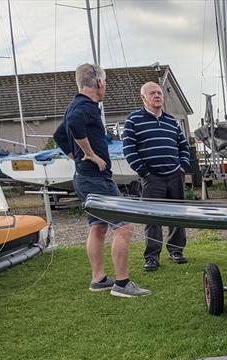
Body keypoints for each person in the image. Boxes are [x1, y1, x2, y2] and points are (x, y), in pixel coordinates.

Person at [53, 64, 150, 298]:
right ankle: (122, 284)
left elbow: (59, 135)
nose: (105, 86)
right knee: (124, 227)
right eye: (105, 82)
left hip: (84, 178)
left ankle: (98, 279)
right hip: (96, 178)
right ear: (98, 83)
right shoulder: (85, 106)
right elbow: (74, 124)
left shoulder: (75, 104)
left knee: (98, 226)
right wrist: (90, 154)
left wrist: (74, 155)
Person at [123, 81, 191, 271]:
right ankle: (152, 256)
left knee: (177, 216)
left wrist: (183, 166)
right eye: (152, 93)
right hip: (152, 178)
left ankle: (176, 250)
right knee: (152, 218)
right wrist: (144, 171)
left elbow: (183, 146)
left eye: (159, 93)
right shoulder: (133, 120)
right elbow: (129, 149)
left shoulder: (171, 121)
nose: (157, 96)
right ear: (143, 98)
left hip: (174, 175)